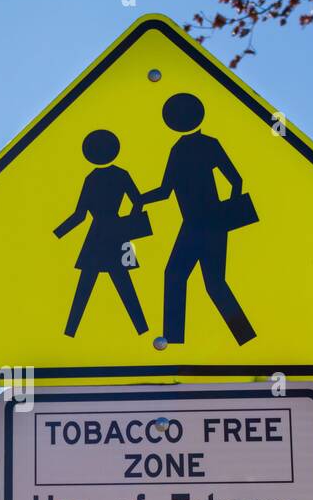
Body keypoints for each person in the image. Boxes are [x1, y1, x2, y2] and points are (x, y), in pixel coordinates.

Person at [139, 92, 257, 346]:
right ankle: (240, 338)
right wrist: (140, 198)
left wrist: (226, 214)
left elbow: (234, 179)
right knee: (200, 280)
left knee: (188, 278)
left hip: (203, 223)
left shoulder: (192, 147)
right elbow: (233, 180)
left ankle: (179, 342)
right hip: (200, 223)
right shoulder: (190, 147)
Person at [53, 129, 150, 338]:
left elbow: (80, 215)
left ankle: (70, 331)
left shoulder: (92, 178)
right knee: (122, 282)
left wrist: (59, 233)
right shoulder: (121, 174)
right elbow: (138, 200)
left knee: (87, 285)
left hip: (97, 235)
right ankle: (142, 329)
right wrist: (128, 224)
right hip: (117, 232)